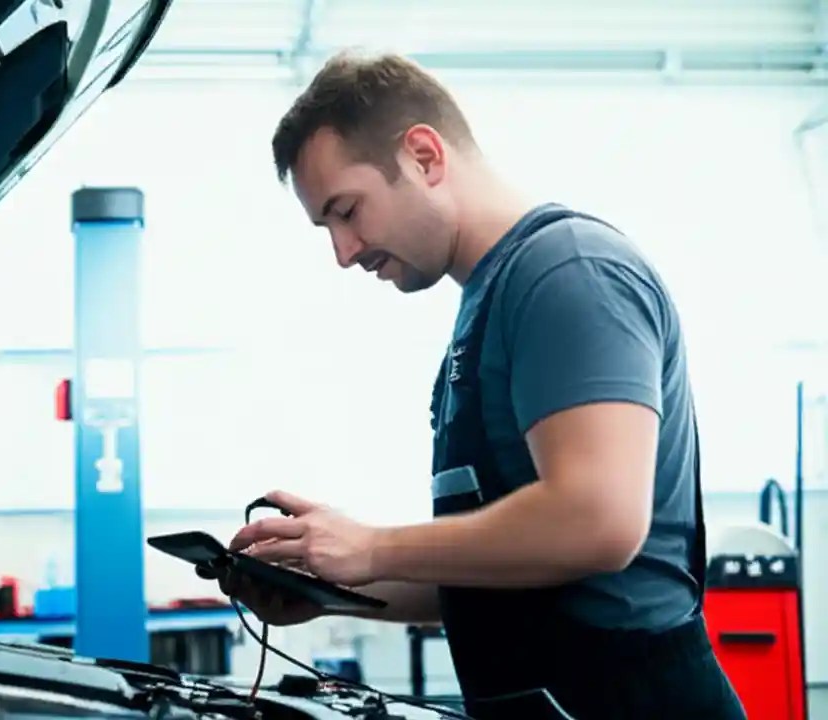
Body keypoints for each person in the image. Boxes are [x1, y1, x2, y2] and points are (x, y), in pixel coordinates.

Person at [219, 50, 747, 719]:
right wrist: (338, 586)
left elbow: (598, 521)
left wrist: (372, 545)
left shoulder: (568, 273)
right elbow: (508, 571)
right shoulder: (490, 303)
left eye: (347, 211)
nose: (343, 253)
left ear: (424, 156)